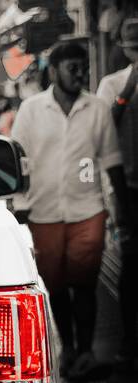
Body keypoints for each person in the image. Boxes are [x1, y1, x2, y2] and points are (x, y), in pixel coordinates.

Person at [12, 41, 128, 378]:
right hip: (43, 212)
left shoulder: (97, 109)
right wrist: (17, 204)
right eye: (72, 67)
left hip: (88, 211)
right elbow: (18, 159)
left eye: (83, 67)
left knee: (86, 285)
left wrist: (123, 210)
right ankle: (69, 348)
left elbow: (112, 161)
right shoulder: (32, 110)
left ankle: (87, 352)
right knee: (58, 287)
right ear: (55, 71)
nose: (80, 73)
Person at [98, 17, 138, 363]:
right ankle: (129, 340)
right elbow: (103, 128)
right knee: (130, 263)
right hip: (128, 188)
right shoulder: (113, 84)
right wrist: (127, 92)